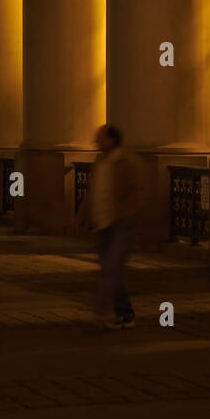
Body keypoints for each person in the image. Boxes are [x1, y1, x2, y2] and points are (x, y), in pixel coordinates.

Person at [76, 125, 142, 328]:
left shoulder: (126, 162)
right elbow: (92, 192)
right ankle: (125, 314)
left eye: (100, 138)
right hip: (102, 223)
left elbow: (136, 192)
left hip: (120, 224)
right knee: (111, 271)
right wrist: (82, 216)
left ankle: (100, 312)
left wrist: (125, 214)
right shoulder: (100, 162)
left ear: (112, 140)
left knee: (111, 270)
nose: (97, 141)